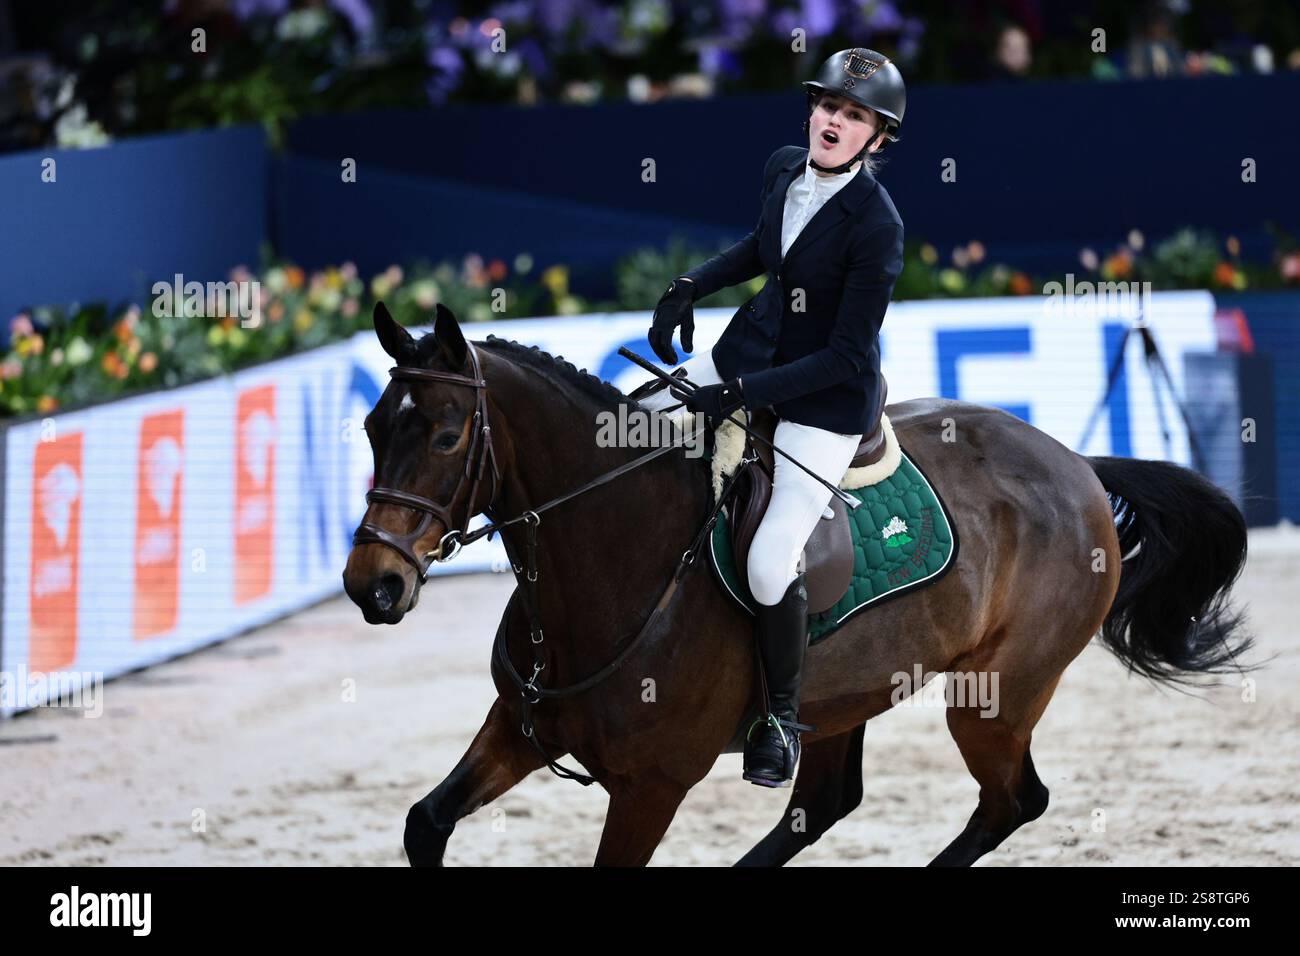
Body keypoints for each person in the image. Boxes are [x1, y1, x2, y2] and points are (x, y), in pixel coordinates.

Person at [638, 48, 907, 787]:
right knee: (633, 425)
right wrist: (689, 285)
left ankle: (780, 720)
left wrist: (742, 394)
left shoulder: (877, 226)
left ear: (877, 137)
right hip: (749, 353)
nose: (834, 122)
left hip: (824, 403)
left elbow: (846, 355)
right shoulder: (785, 167)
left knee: (768, 560)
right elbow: (765, 248)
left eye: (854, 116)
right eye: (828, 106)